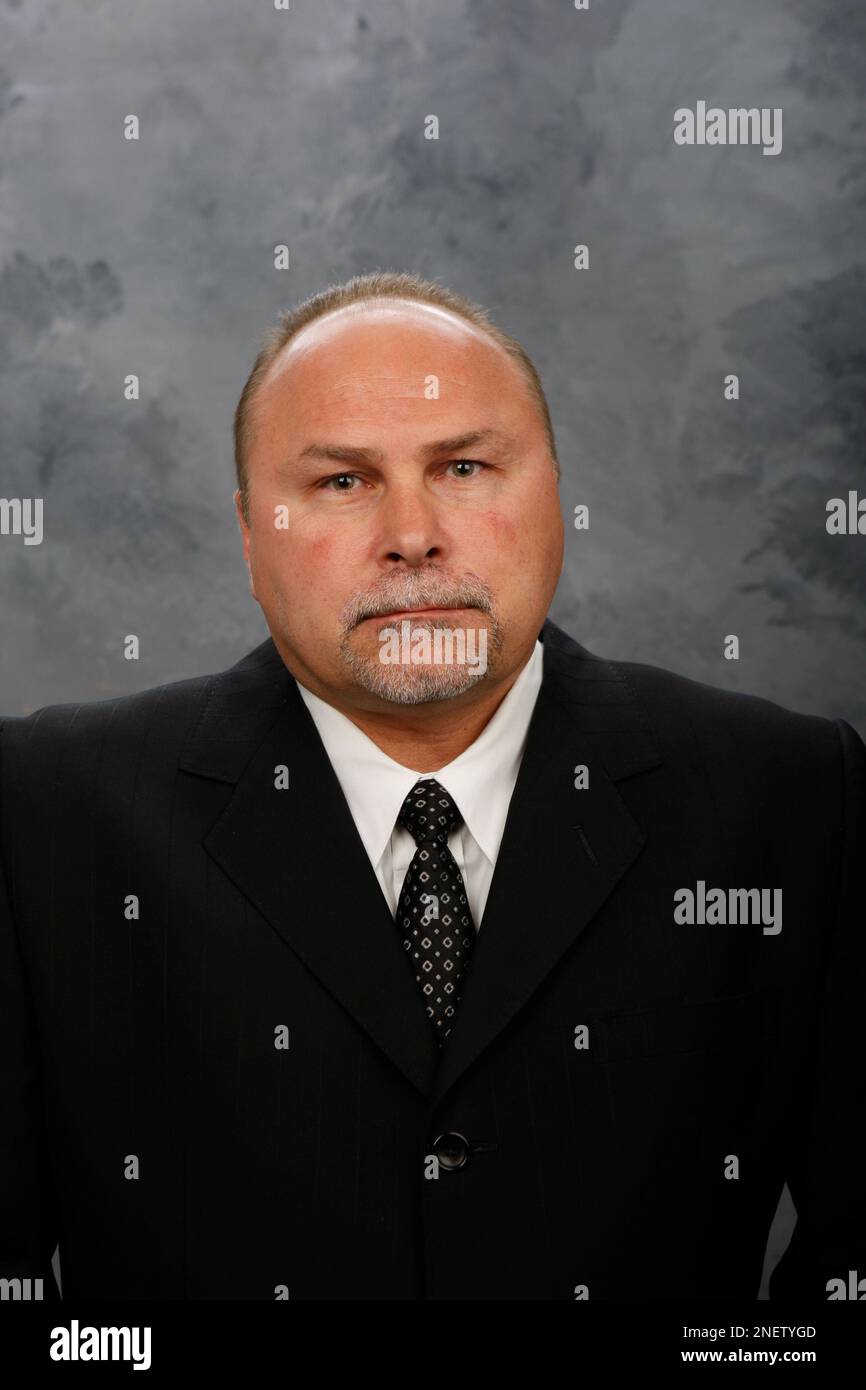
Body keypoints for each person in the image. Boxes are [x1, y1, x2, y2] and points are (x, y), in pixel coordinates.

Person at [1, 272, 863, 1301]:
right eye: (342, 482)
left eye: (462, 466)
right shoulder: (41, 812)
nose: (412, 533)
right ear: (247, 530)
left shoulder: (793, 797)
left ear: (551, 491)